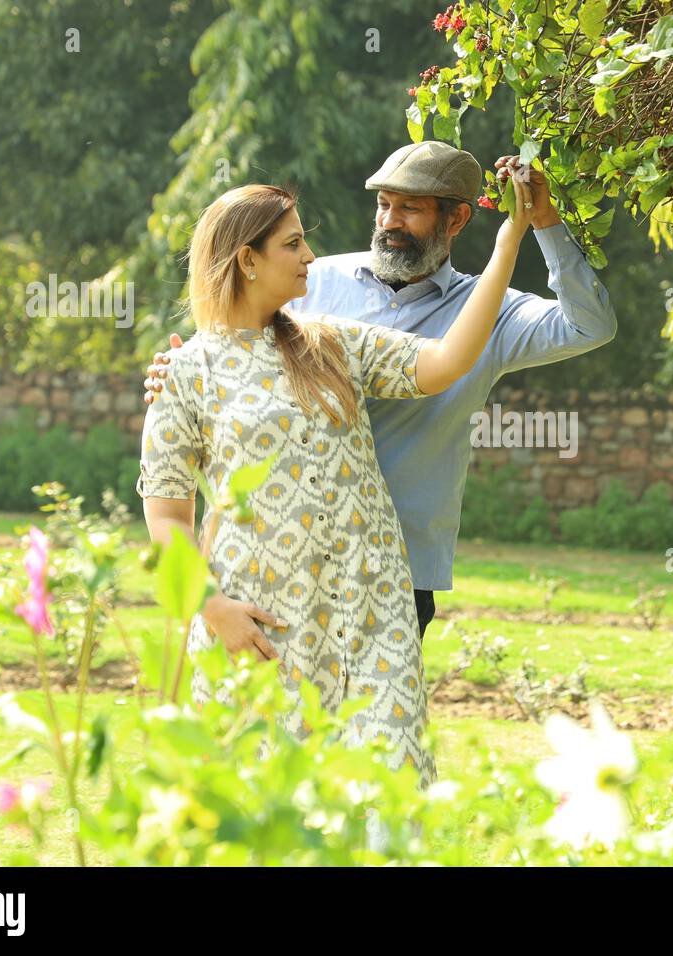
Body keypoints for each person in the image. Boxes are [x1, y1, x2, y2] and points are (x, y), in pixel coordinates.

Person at [136, 174, 534, 792]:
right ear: (247, 260)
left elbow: (445, 363)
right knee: (268, 812)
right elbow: (165, 520)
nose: (310, 257)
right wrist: (214, 611)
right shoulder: (187, 372)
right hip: (262, 625)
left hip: (371, 613)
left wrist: (509, 241)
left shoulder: (330, 344)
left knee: (389, 798)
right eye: (293, 245)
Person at [144, 142, 618, 643]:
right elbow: (231, 347)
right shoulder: (311, 283)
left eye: (409, 208)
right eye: (383, 204)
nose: (389, 221)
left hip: (400, 569)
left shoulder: (491, 312)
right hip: (282, 558)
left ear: (456, 220)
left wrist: (540, 224)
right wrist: (177, 370)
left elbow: (590, 326)